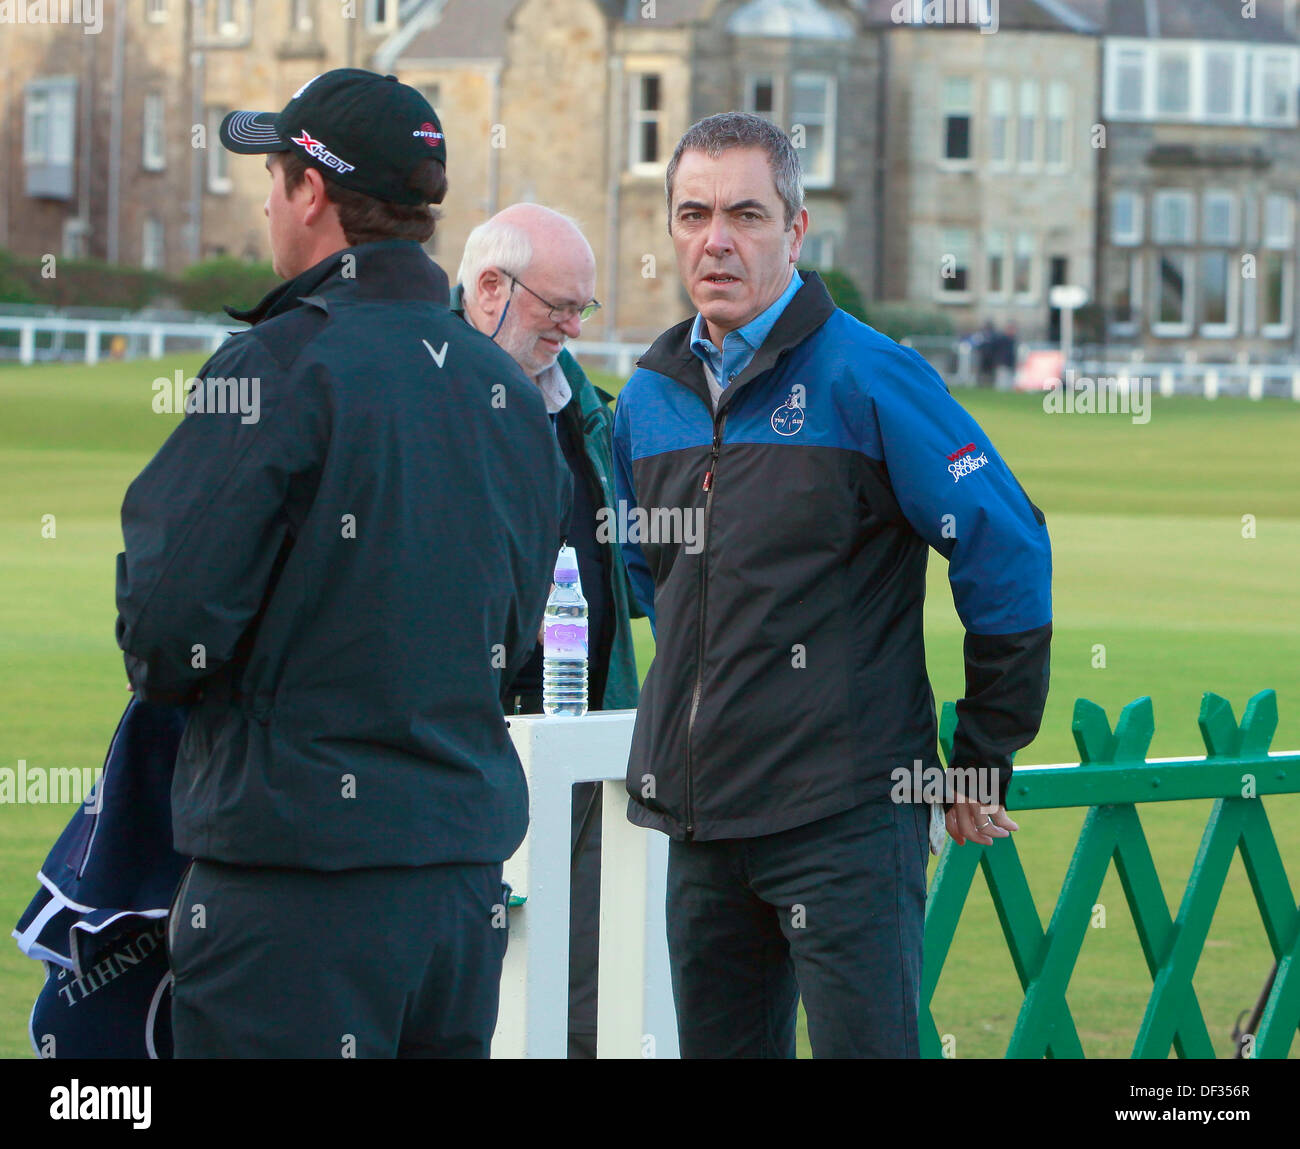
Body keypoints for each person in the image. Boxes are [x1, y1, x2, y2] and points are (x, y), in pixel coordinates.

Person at [115, 68, 570, 1058]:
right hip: (457, 886)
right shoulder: (506, 389)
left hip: (295, 892)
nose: (270, 206)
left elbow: (164, 635)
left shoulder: (280, 366)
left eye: (275, 181)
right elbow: (517, 635)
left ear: (311, 195)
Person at [612, 112, 1052, 1058]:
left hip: (844, 819)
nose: (716, 241)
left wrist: (983, 747)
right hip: (701, 820)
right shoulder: (646, 397)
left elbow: (1006, 541)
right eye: (693, 215)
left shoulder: (870, 374)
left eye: (746, 215)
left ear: (796, 230)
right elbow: (655, 578)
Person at [452, 203, 641, 1059]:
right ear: (488, 286)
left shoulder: (585, 416)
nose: (571, 326)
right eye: (556, 306)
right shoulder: (426, 393)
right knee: (471, 997)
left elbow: (624, 573)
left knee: (584, 1008)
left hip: (582, 749)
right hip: (457, 761)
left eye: (582, 309)